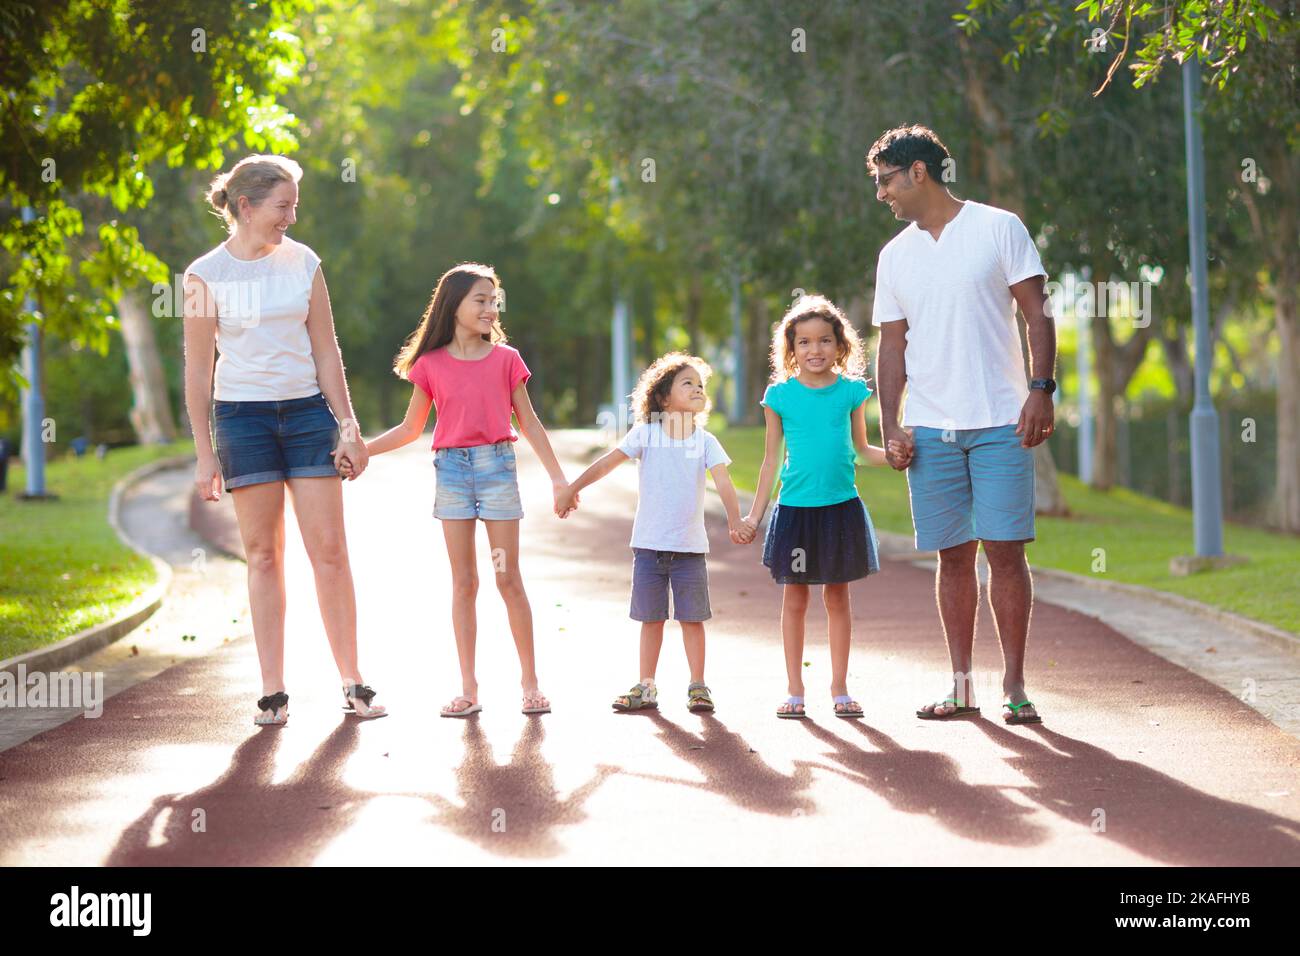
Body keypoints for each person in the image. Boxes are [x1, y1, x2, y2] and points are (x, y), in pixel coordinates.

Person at [182, 154, 386, 727]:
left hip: (306, 417)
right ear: (245, 207)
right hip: (242, 419)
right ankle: (273, 690)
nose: (292, 217)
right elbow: (198, 371)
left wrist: (349, 428)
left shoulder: (305, 263)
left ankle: (353, 680)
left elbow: (326, 350)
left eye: (294, 205)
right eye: (283, 206)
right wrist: (205, 452)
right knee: (265, 555)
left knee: (329, 551)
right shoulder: (203, 275)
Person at [868, 124, 1055, 726]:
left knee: (1005, 552)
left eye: (886, 179)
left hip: (1002, 418)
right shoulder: (894, 256)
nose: (882, 194)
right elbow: (891, 346)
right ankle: (960, 685)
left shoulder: (999, 227)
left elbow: (1036, 313)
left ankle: (1016, 685)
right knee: (952, 557)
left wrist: (1040, 390)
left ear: (918, 171)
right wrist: (890, 422)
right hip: (929, 430)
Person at [354, 263, 569, 718]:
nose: (491, 308)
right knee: (464, 582)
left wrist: (557, 477)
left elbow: (527, 422)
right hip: (451, 473)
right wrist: (364, 452)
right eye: (481, 300)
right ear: (455, 305)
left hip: (497, 470)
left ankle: (530, 683)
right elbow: (411, 429)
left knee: (507, 577)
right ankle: (469, 690)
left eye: (494, 301)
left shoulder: (507, 360)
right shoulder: (430, 365)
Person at [555, 353, 747, 714]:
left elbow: (724, 483)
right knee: (651, 618)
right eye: (687, 382)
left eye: (700, 384)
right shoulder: (646, 434)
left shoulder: (706, 441)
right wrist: (572, 487)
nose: (697, 388)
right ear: (662, 398)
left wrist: (736, 521)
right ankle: (646, 686)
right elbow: (607, 463)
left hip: (690, 549)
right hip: (648, 549)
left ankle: (698, 686)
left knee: (693, 619)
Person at [740, 296, 891, 719]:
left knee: (838, 598)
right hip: (796, 514)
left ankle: (840, 690)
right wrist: (755, 515)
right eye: (804, 342)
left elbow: (862, 451)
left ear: (840, 346)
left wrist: (897, 457)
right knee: (795, 601)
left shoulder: (850, 393)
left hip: (840, 510)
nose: (815, 350)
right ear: (791, 349)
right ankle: (794, 691)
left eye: (825, 340)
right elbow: (771, 460)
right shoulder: (780, 396)